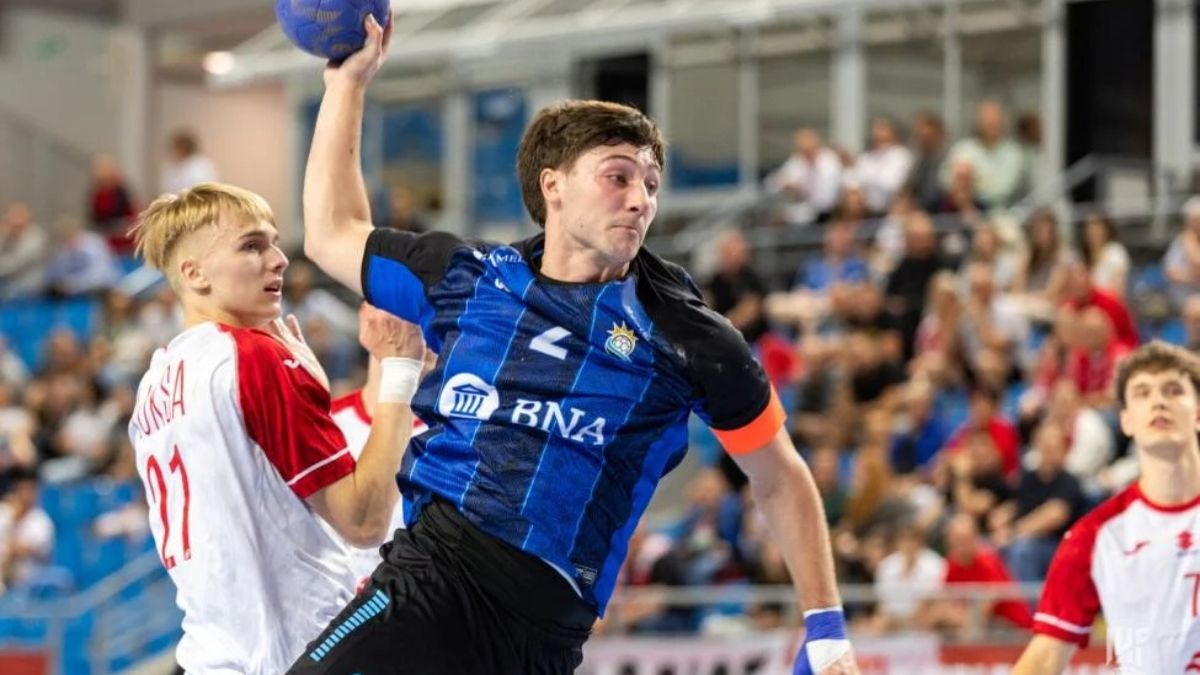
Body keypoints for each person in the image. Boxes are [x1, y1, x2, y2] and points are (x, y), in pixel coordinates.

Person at [292, 14, 858, 675]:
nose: (640, 199)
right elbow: (332, 232)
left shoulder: (688, 334)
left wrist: (826, 627)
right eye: (618, 176)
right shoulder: (467, 278)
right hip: (433, 577)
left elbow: (780, 477)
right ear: (552, 186)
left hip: (546, 635)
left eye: (650, 182)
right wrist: (346, 85)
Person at [127, 182, 426, 675]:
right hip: (292, 650)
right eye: (251, 246)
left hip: (211, 653)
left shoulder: (154, 382)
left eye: (272, 241)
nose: (279, 259)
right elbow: (365, 521)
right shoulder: (252, 356)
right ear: (194, 273)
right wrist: (399, 367)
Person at [1013, 341, 1200, 674]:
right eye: (1143, 393)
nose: (1159, 401)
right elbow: (1043, 659)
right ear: (1126, 421)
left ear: (1198, 412)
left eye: (1173, 390)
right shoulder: (1096, 537)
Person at [329, 303, 434, 587]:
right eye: (409, 306)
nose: (422, 329)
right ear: (367, 319)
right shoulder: (323, 425)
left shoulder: (467, 438)